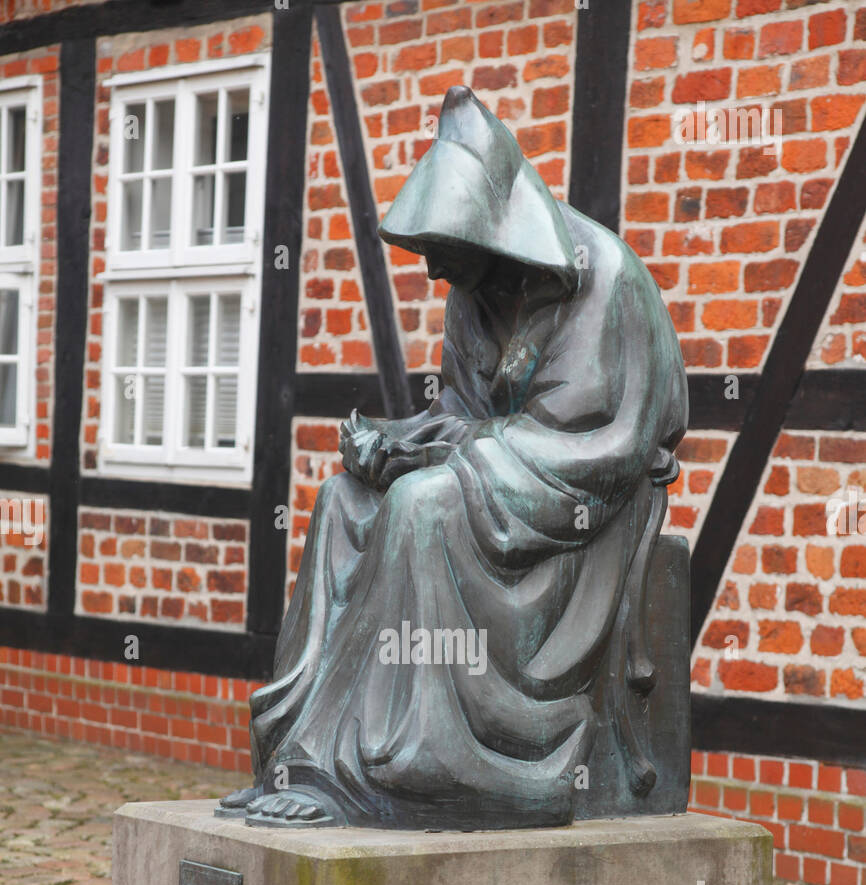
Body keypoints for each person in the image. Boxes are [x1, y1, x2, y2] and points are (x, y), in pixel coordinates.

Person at [218, 86, 687, 830]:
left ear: (491, 234)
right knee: (342, 500)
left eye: (443, 252)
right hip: (501, 485)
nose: (435, 273)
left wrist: (446, 455)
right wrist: (396, 441)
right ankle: (306, 759)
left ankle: (423, 761)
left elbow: (608, 448)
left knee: (422, 504)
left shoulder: (610, 283)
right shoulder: (475, 290)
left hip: (581, 510)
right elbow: (461, 416)